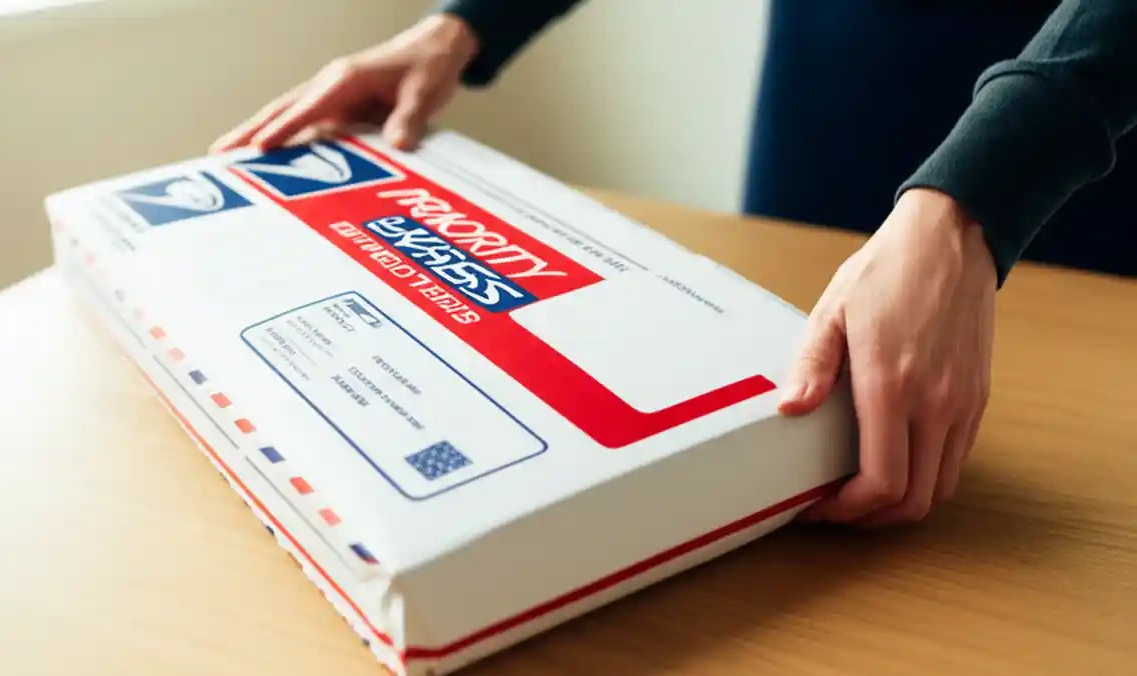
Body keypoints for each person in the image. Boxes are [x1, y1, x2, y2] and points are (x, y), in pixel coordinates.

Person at [211, 0, 1137, 526]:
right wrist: (468, 20)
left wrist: (978, 195)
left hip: (1078, 140)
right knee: (781, 431)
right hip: (839, 77)